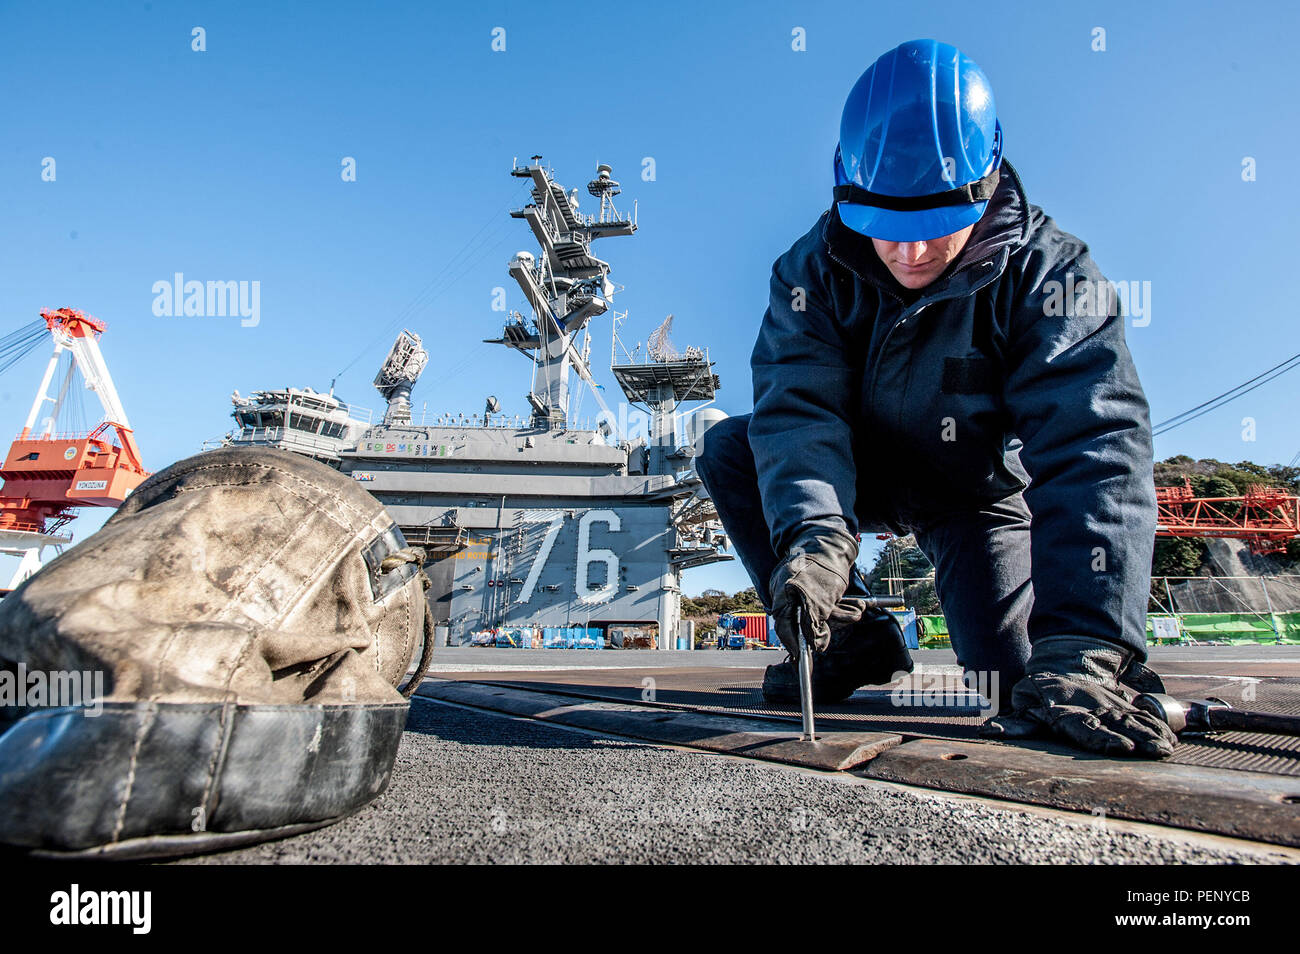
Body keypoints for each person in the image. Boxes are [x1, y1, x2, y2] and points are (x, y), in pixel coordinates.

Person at [696, 39, 1176, 758]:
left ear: (985, 191)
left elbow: (1093, 448)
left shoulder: (1054, 274)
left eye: (935, 226)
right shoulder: (809, 273)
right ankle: (848, 639)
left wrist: (1086, 642)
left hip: (972, 495)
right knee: (731, 447)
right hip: (860, 477)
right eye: (886, 226)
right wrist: (817, 542)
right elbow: (799, 412)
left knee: (1016, 689)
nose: (911, 254)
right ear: (845, 190)